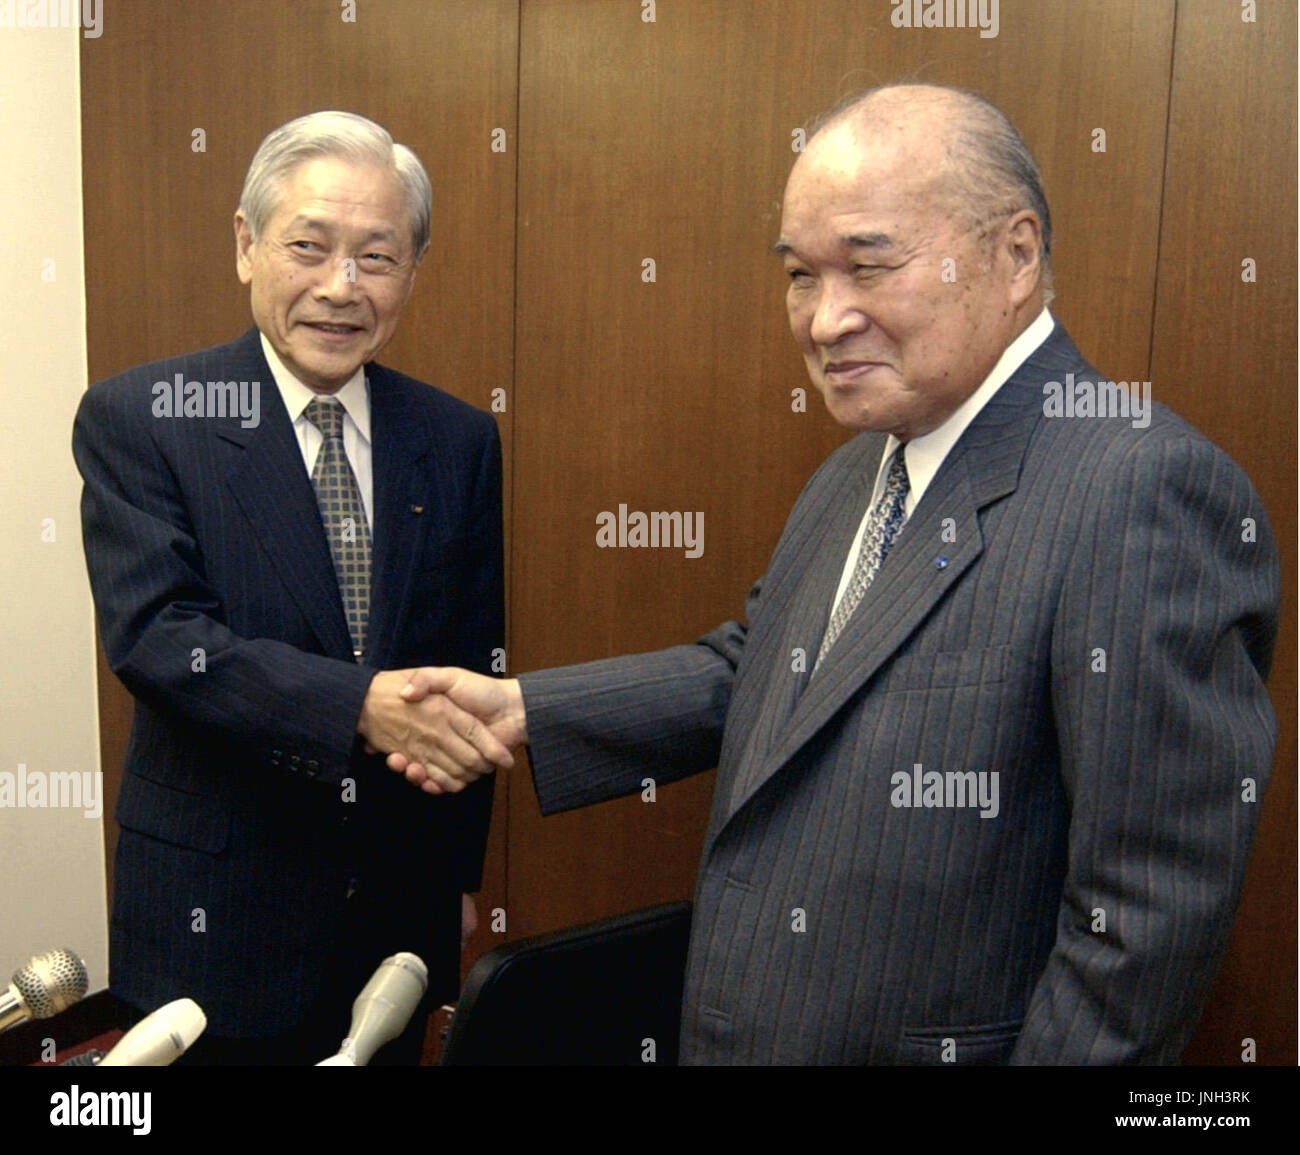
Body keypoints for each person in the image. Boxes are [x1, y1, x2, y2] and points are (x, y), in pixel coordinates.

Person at [387, 84, 1280, 1064]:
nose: (823, 320)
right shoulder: (861, 466)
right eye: (801, 276)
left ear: (1014, 255)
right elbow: (767, 673)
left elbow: (1145, 927)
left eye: (867, 264)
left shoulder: (1140, 489)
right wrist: (529, 709)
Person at [72, 110, 512, 1065]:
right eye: (309, 246)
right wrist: (360, 705)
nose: (340, 287)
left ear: (412, 269)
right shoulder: (145, 417)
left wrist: (456, 876)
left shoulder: (458, 440)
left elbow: (471, 667)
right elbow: (160, 640)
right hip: (213, 918)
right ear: (246, 245)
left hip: (393, 915)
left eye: (378, 257)